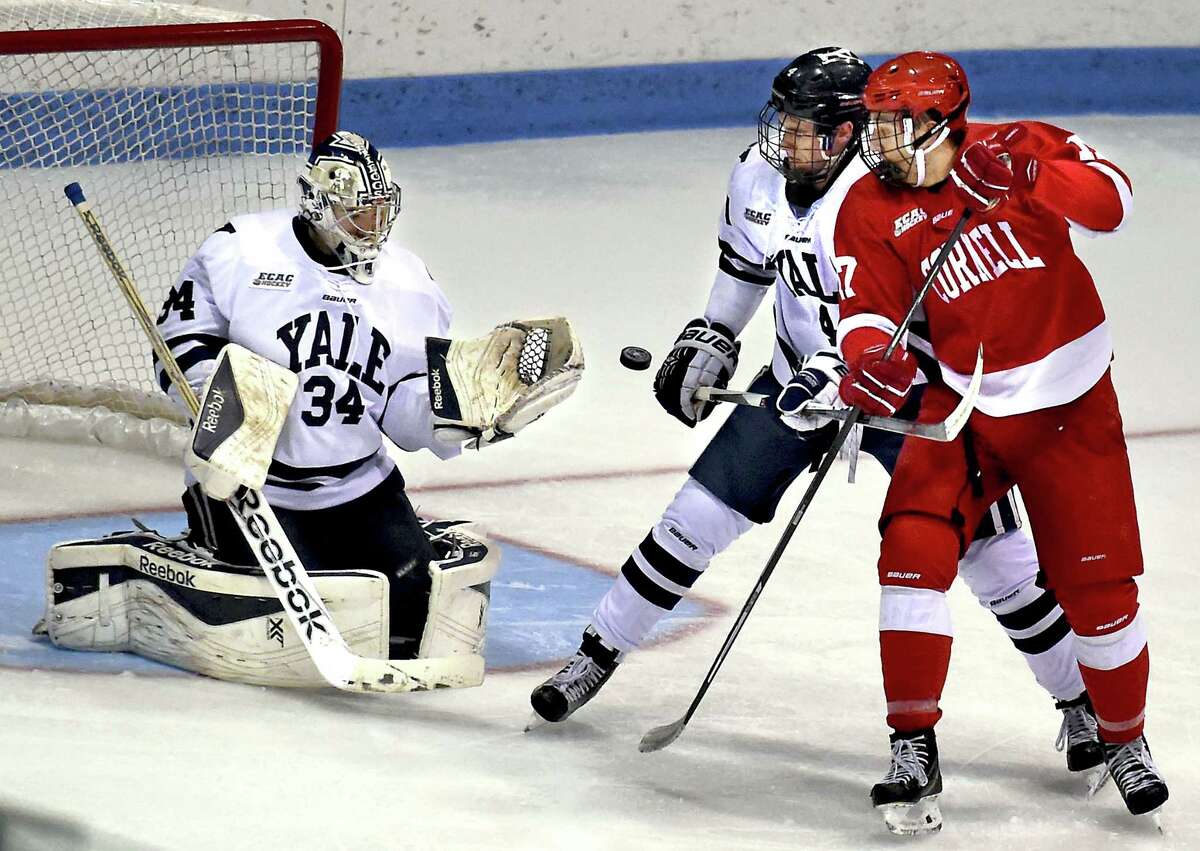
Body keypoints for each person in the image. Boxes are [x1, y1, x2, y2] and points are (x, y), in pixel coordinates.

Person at [527, 47, 1100, 778]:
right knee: (691, 518)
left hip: (908, 392)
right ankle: (595, 652)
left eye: (810, 130)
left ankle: (1081, 701)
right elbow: (747, 270)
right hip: (796, 375)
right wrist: (713, 332)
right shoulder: (756, 175)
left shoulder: (886, 191)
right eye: (788, 125)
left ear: (856, 131)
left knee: (1000, 563)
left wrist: (848, 372)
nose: (790, 142)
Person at [39, 131, 581, 686]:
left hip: (358, 487)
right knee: (273, 599)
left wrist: (466, 419)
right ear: (318, 205)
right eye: (356, 215)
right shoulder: (241, 248)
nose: (372, 229)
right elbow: (178, 343)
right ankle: (164, 566)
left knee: (410, 581)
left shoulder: (410, 284)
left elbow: (401, 409)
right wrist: (222, 404)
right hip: (251, 487)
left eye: (378, 213)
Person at [831, 52, 1167, 832]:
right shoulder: (868, 207)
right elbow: (868, 311)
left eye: (895, 123)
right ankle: (912, 743)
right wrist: (867, 363)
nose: (878, 140)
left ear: (944, 123)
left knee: (1100, 596)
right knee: (910, 547)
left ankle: (1123, 738)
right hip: (964, 409)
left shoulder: (1020, 143)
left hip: (1070, 411)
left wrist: (1027, 174)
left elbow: (1112, 201)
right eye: (876, 123)